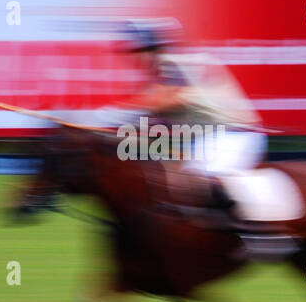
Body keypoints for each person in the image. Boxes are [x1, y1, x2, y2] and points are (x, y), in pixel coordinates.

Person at [109, 18, 266, 224]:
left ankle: (251, 234)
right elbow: (152, 122)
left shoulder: (175, 65)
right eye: (131, 53)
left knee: (200, 184)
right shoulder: (155, 78)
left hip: (233, 136)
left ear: (153, 49)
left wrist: (112, 115)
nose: (134, 58)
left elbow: (164, 101)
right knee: (172, 188)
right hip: (205, 140)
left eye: (138, 51)